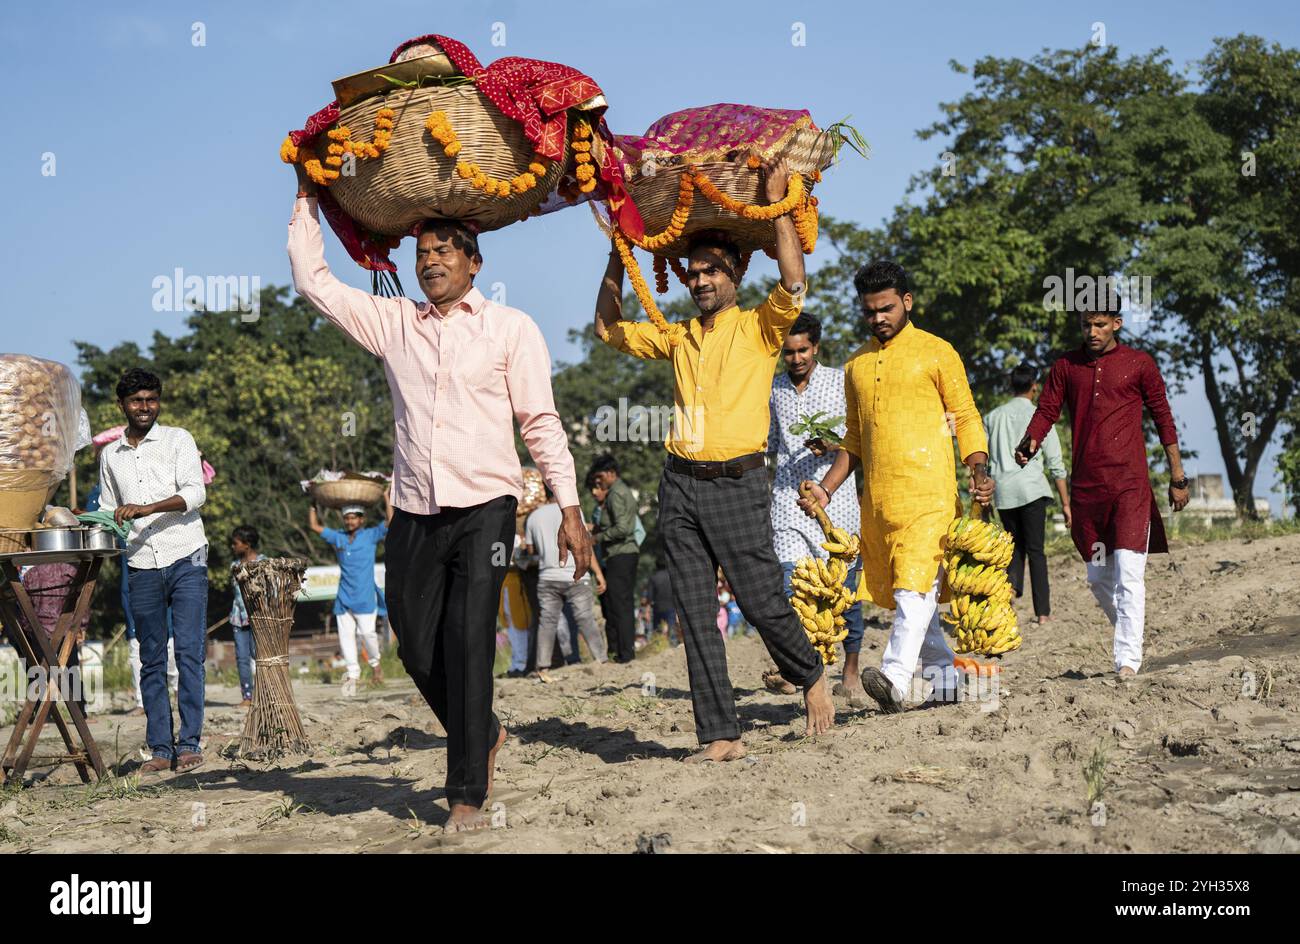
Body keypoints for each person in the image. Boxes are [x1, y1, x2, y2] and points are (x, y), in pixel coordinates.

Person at [288, 163, 588, 832]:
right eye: (422, 253)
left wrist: (568, 508)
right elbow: (314, 282)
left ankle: (466, 795)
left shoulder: (511, 330)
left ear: (475, 263)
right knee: (414, 639)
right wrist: (308, 197)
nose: (430, 262)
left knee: (468, 636)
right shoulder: (394, 324)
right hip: (416, 510)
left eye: (444, 251)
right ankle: (482, 728)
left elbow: (540, 422)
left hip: (486, 509)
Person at [594, 155, 834, 762]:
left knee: (759, 599)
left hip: (739, 485)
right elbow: (607, 329)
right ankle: (721, 735)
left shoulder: (759, 326)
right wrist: (619, 250)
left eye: (712, 272)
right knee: (693, 610)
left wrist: (778, 203)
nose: (701, 282)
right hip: (678, 486)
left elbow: (795, 283)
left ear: (735, 275)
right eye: (694, 273)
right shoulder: (677, 336)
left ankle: (809, 675)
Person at [802, 261, 993, 713]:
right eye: (869, 312)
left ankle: (893, 676)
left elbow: (964, 415)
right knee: (916, 593)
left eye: (886, 308)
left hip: (930, 493)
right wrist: (827, 489)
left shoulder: (937, 351)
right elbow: (853, 439)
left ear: (907, 302)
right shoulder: (856, 365)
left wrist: (979, 468)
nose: (878, 318)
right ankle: (946, 681)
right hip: (881, 501)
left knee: (913, 586)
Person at [1016, 309, 1189, 677]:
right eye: (1085, 325)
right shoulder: (1066, 365)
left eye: (1099, 324)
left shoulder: (1139, 364)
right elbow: (1048, 408)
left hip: (1130, 487)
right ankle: (1131, 629)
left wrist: (1177, 474)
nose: (1092, 332)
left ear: (1116, 324)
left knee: (1129, 574)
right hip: (1087, 490)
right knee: (1097, 579)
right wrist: (1031, 441)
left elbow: (1163, 417)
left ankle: (1127, 660)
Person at [97, 367, 209, 773]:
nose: (145, 408)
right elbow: (111, 508)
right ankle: (161, 749)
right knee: (150, 658)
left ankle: (190, 742)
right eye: (136, 401)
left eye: (151, 400)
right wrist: (89, 517)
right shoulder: (111, 455)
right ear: (122, 405)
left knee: (189, 652)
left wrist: (147, 508)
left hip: (186, 554)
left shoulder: (179, 439)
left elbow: (196, 493)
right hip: (141, 561)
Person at [766, 312, 867, 702]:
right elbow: (769, 446)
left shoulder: (841, 381)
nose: (795, 358)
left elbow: (858, 440)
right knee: (795, 589)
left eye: (802, 350)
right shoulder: (773, 389)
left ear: (816, 347)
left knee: (844, 591)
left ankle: (852, 669)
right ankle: (802, 670)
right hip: (790, 502)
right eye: (788, 352)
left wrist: (832, 443)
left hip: (836, 502)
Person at [984, 364, 1071, 624]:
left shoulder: (992, 418)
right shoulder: (1040, 416)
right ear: (1034, 386)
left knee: (1013, 548)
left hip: (1004, 491)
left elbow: (984, 460)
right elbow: (1056, 463)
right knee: (1036, 550)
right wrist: (1066, 504)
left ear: (1011, 386)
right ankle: (1042, 613)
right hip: (1032, 489)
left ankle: (1010, 593)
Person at [308, 491, 394, 696]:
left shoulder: (370, 535)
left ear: (361, 520)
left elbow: (391, 520)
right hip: (344, 597)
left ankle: (376, 666)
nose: (349, 521)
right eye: (347, 518)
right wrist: (313, 503)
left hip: (365, 597)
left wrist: (385, 496)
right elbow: (314, 526)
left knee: (368, 635)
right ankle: (352, 677)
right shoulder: (338, 537)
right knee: (346, 638)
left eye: (353, 517)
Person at [525, 486, 608, 678]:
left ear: (545, 495)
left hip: (548, 577)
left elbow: (530, 550)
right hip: (576, 576)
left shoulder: (534, 516)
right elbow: (584, 545)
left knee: (547, 622)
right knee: (585, 618)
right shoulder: (574, 512)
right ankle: (602, 659)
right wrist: (598, 574)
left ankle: (543, 667)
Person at [586, 454, 640, 662]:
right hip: (620, 553)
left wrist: (597, 538)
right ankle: (621, 652)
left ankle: (626, 654)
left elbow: (623, 528)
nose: (599, 482)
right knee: (618, 604)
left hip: (621, 554)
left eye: (601, 477)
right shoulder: (618, 492)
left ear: (611, 473)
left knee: (621, 605)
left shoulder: (616, 493)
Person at [228, 525, 263, 707]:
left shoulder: (264, 563)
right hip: (238, 618)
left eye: (236, 543)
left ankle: (264, 693)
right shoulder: (234, 566)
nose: (233, 547)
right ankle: (247, 696)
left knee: (259, 655)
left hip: (258, 618)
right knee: (242, 657)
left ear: (247, 544)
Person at [499, 532, 533, 678]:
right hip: (504, 583)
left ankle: (522, 663)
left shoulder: (520, 538)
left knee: (521, 623)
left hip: (517, 583)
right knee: (510, 624)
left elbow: (522, 562)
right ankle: (516, 663)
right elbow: (497, 562)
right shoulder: (498, 536)